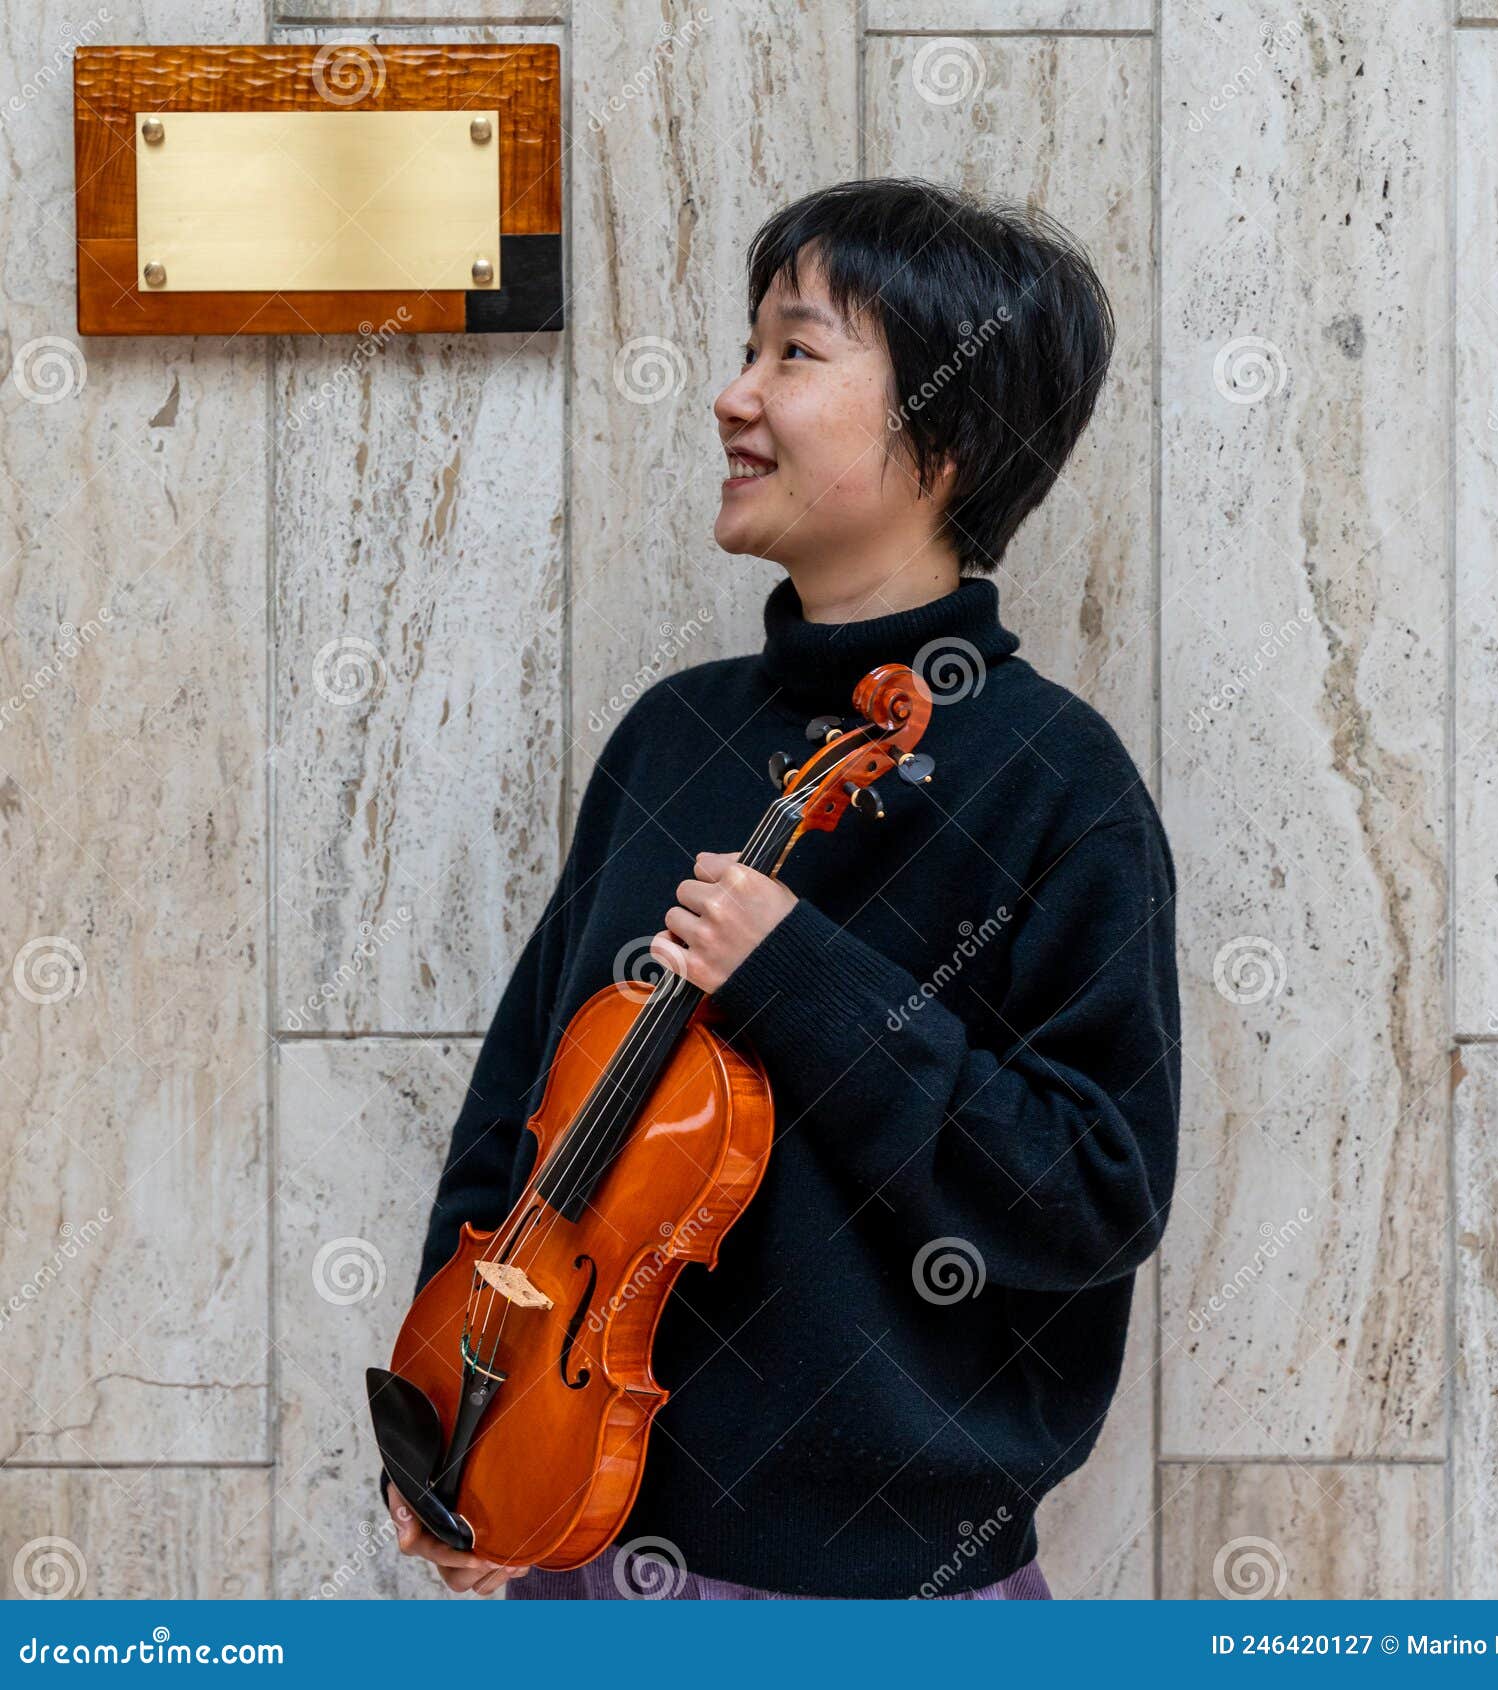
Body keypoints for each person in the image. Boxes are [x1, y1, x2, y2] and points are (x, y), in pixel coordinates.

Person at [384, 176, 1180, 1600]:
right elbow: (518, 1115)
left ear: (947, 434)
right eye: (747, 348)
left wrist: (806, 983)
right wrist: (453, 1413)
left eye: (794, 353)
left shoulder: (1059, 783)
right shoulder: (672, 736)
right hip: (572, 1529)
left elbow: (1092, 1193)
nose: (732, 396)